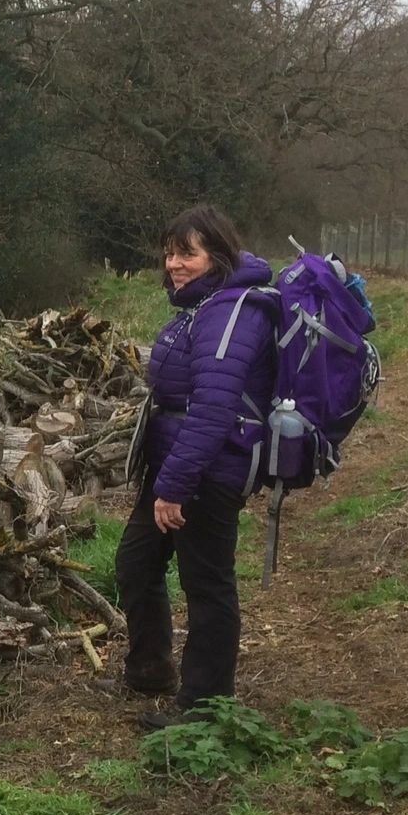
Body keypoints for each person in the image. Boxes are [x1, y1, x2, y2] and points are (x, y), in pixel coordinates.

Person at [115, 206, 277, 725]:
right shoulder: (201, 306)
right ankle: (150, 669)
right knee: (137, 562)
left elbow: (212, 408)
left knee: (206, 583)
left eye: (188, 253)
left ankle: (206, 706)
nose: (174, 263)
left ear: (218, 256)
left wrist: (175, 488)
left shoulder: (232, 312)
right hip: (174, 467)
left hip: (208, 472)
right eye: (170, 252)